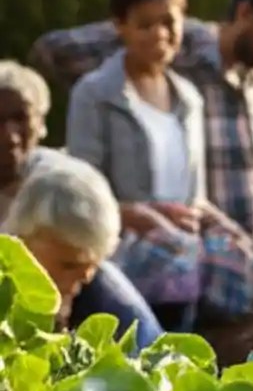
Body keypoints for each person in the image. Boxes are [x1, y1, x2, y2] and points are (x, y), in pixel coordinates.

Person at [29, 0, 253, 246]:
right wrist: (148, 26)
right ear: (246, 13)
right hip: (150, 248)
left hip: (229, 252)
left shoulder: (251, 85)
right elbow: (54, 50)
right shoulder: (186, 50)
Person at [64, 0, 253, 332]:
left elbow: (194, 197)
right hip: (121, 263)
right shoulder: (94, 93)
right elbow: (81, 196)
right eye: (145, 25)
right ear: (120, 27)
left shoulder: (189, 98)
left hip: (182, 267)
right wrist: (145, 215)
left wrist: (223, 226)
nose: (159, 35)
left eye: (168, 22)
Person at [0, 59, 161, 347]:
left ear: (41, 123)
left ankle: (151, 360)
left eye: (20, 119)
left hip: (69, 295)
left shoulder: (61, 176)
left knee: (101, 281)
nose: (10, 136)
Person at [3, 165, 130, 336]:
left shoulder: (108, 298)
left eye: (94, 265)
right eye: (68, 265)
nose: (86, 277)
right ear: (23, 241)